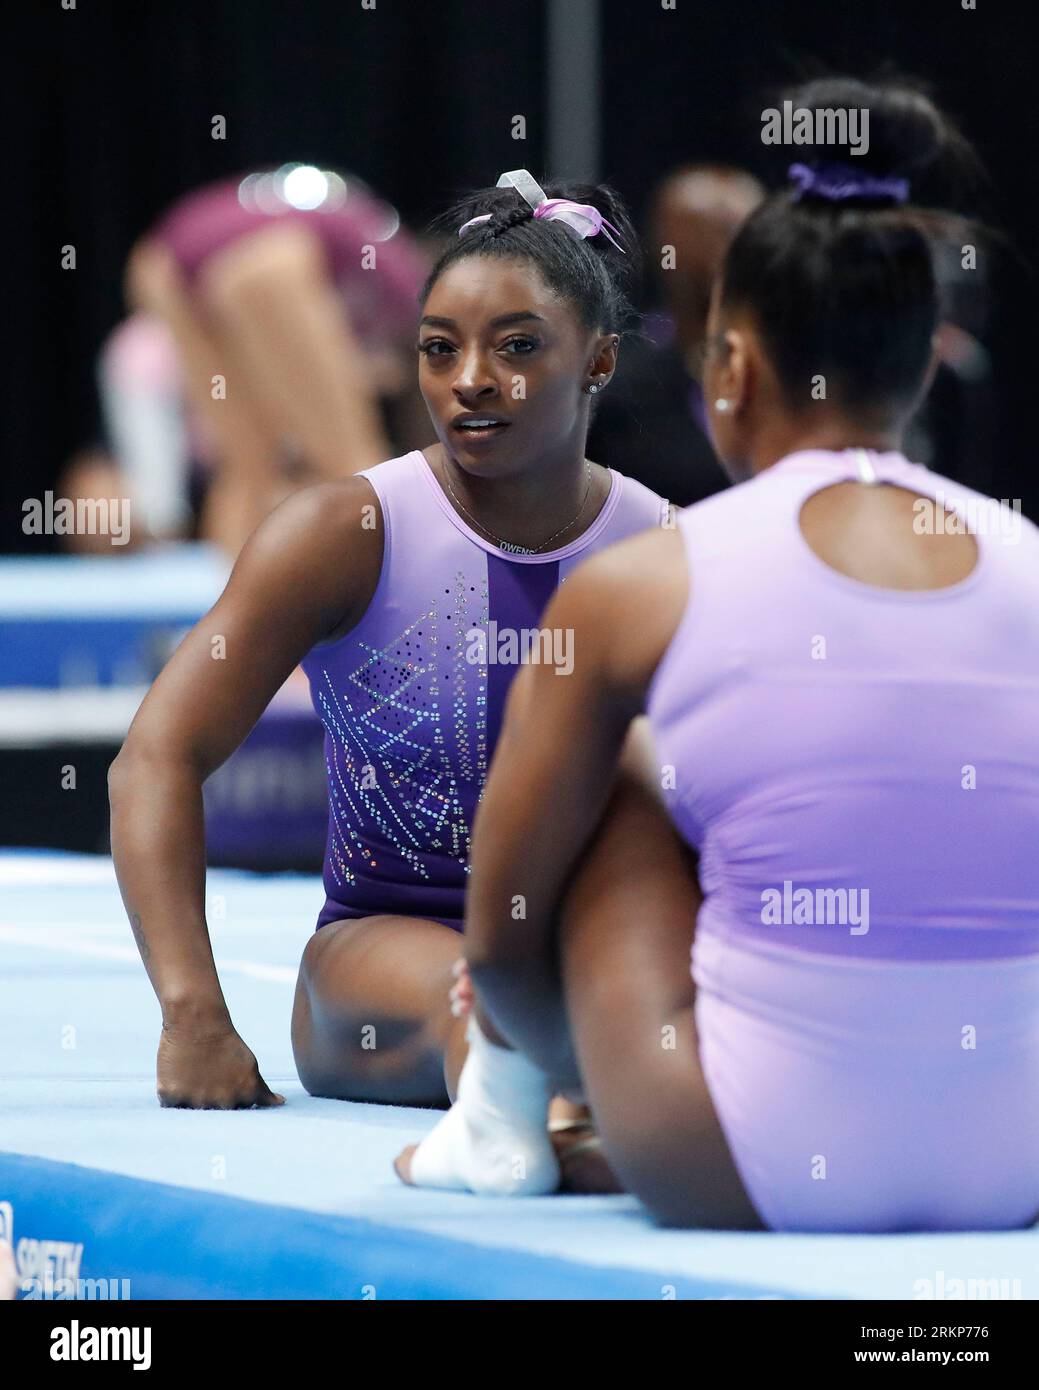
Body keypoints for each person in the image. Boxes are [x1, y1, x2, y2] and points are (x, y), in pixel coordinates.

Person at [397, 80, 1039, 1232]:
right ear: (923, 366)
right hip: (1021, 1169)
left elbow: (496, 945)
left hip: (735, 1161)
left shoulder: (646, 583)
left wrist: (573, 1063)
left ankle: (499, 1115)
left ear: (728, 370)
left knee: (636, 762)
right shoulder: (1029, 560)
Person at [108, 172, 668, 1173]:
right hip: (385, 950)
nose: (471, 378)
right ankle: (530, 1112)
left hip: (589, 937)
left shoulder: (660, 545)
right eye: (440, 347)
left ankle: (582, 1098)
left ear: (600, 360)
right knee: (492, 984)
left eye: (518, 345)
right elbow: (157, 754)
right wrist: (192, 1011)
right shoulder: (346, 530)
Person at [108, 165, 431, 557]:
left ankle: (241, 607)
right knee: (352, 459)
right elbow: (389, 373)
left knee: (250, 465)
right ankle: (402, 594)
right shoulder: (411, 284)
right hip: (263, 259)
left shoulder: (357, 246)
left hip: (159, 264)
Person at [587, 164, 763, 505]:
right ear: (662, 240)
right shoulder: (615, 383)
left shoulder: (797, 375)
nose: (725, 250)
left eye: (739, 229)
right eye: (710, 230)